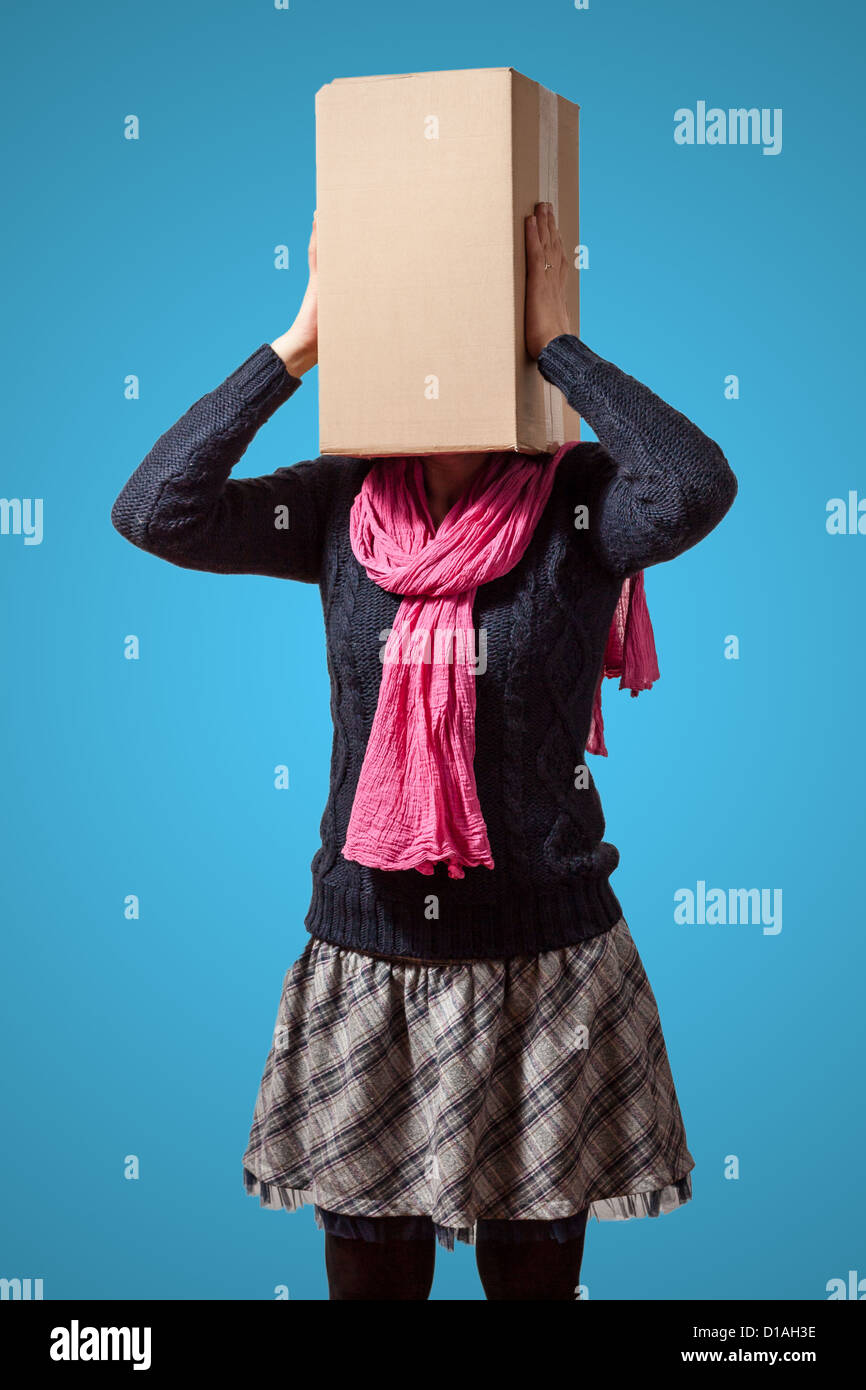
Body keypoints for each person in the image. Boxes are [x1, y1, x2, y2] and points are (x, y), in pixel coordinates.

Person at [110, 201, 738, 1300]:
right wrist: (296, 344)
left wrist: (556, 344)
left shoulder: (583, 505)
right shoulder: (337, 505)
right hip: (370, 956)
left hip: (543, 963)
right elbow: (154, 510)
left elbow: (691, 484)